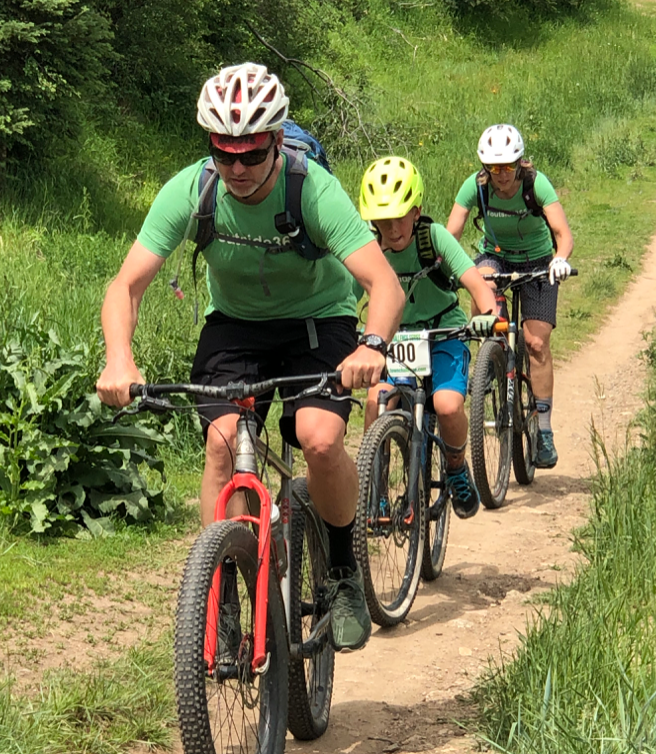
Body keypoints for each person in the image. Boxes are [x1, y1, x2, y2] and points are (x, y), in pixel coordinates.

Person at [96, 62, 406, 653]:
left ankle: (342, 571)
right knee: (221, 444)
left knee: (318, 437)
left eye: (251, 153)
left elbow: (383, 284)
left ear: (275, 141)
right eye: (224, 153)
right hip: (235, 329)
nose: (236, 169)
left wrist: (372, 344)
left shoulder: (310, 186)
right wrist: (119, 357)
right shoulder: (192, 189)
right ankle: (223, 595)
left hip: (319, 324)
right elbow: (126, 286)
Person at [358, 156, 499, 520]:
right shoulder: (369, 250)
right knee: (376, 404)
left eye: (399, 217)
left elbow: (472, 279)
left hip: (443, 333)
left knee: (449, 405)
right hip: (395, 340)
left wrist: (487, 314)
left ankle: (455, 467)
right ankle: (376, 487)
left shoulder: (432, 237)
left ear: (416, 211)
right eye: (381, 220)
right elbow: (343, 296)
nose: (391, 228)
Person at [446, 124, 574, 469]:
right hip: (497, 256)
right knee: (481, 281)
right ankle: (490, 357)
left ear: (520, 163)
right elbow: (450, 234)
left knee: (535, 344)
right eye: (494, 168)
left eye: (507, 167)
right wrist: (441, 265)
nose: (501, 175)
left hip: (538, 263)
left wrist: (560, 258)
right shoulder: (475, 187)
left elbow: (562, 233)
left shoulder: (536, 184)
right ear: (485, 167)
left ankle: (543, 429)